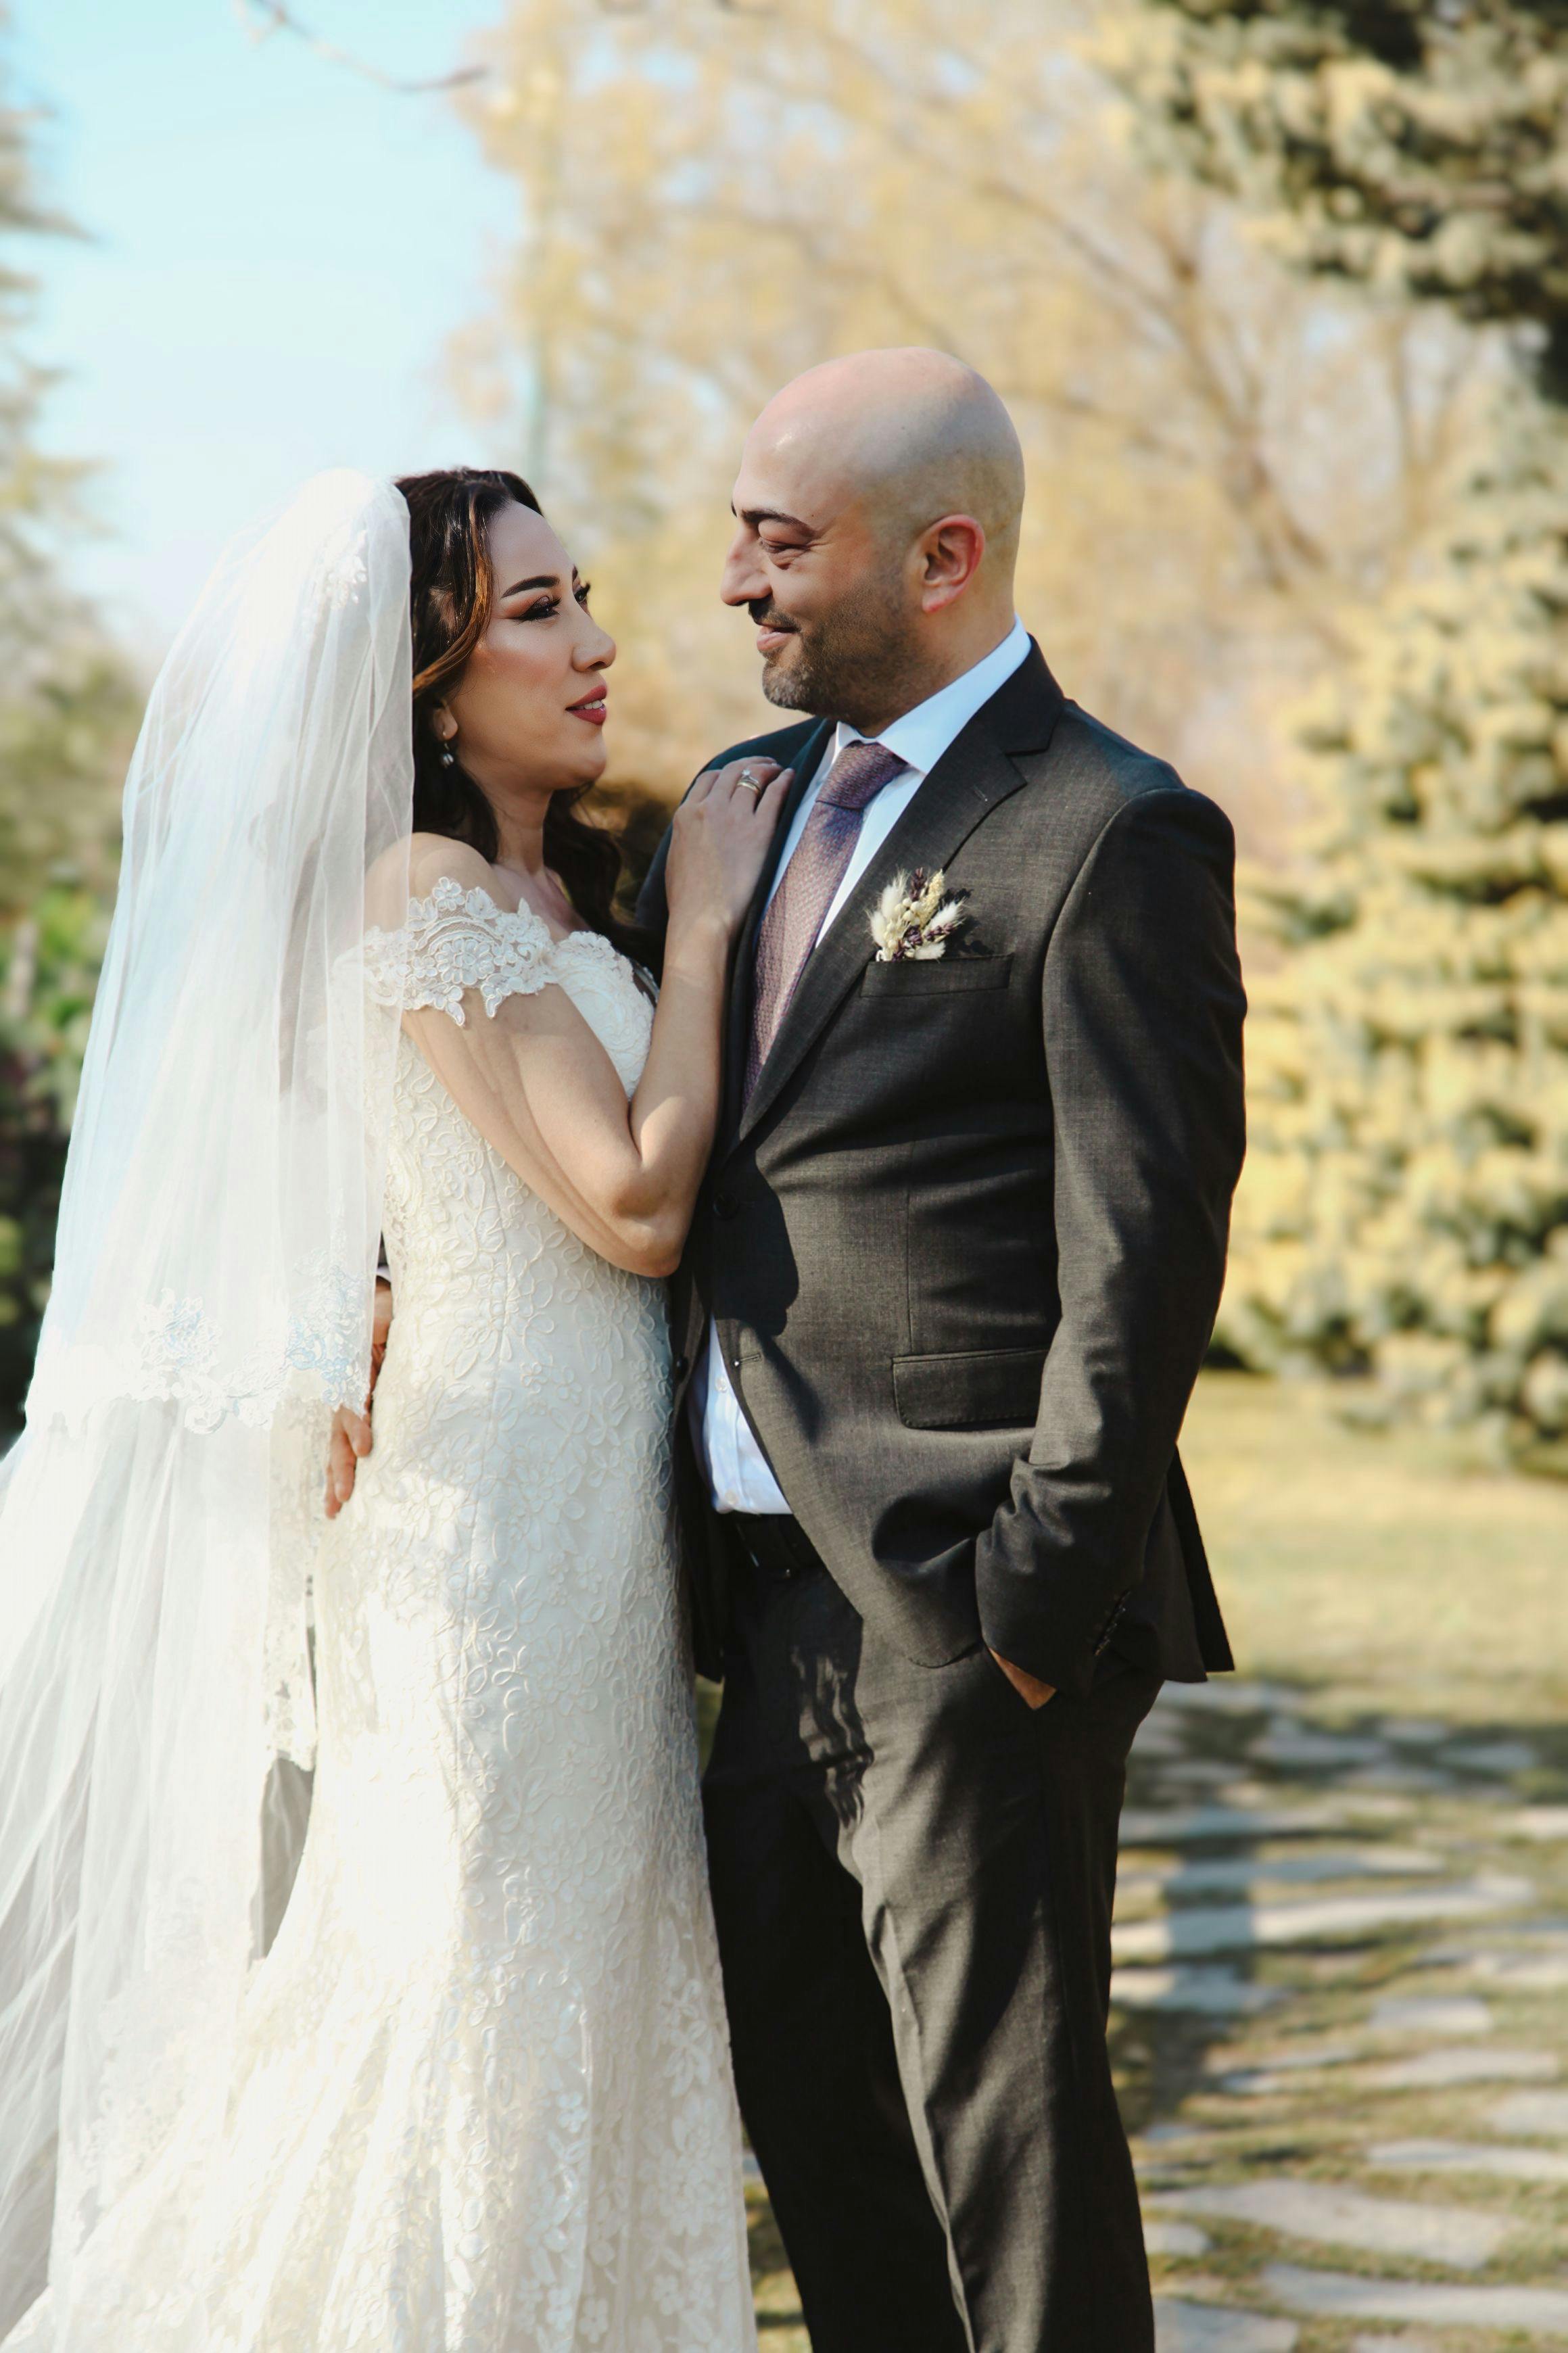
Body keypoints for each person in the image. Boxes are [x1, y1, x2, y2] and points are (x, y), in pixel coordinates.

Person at [0, 467, 786, 2350]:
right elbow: (630, 1204)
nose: (592, 640)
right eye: (532, 610)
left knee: (574, 1972)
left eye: (582, 594)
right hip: (481, 1534)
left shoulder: (532, 888)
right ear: (427, 680)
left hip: (591, 1519)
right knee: (464, 1982)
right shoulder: (422, 890)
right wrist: (703, 929)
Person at [634, 349, 1248, 2353]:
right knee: (826, 2159)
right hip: (754, 1621)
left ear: (947, 556)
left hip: (971, 1625)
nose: (736, 580)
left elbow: (1141, 1253)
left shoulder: (1109, 830)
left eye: (780, 540)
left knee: (1016, 2178)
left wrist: (1035, 1609)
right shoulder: (741, 815)